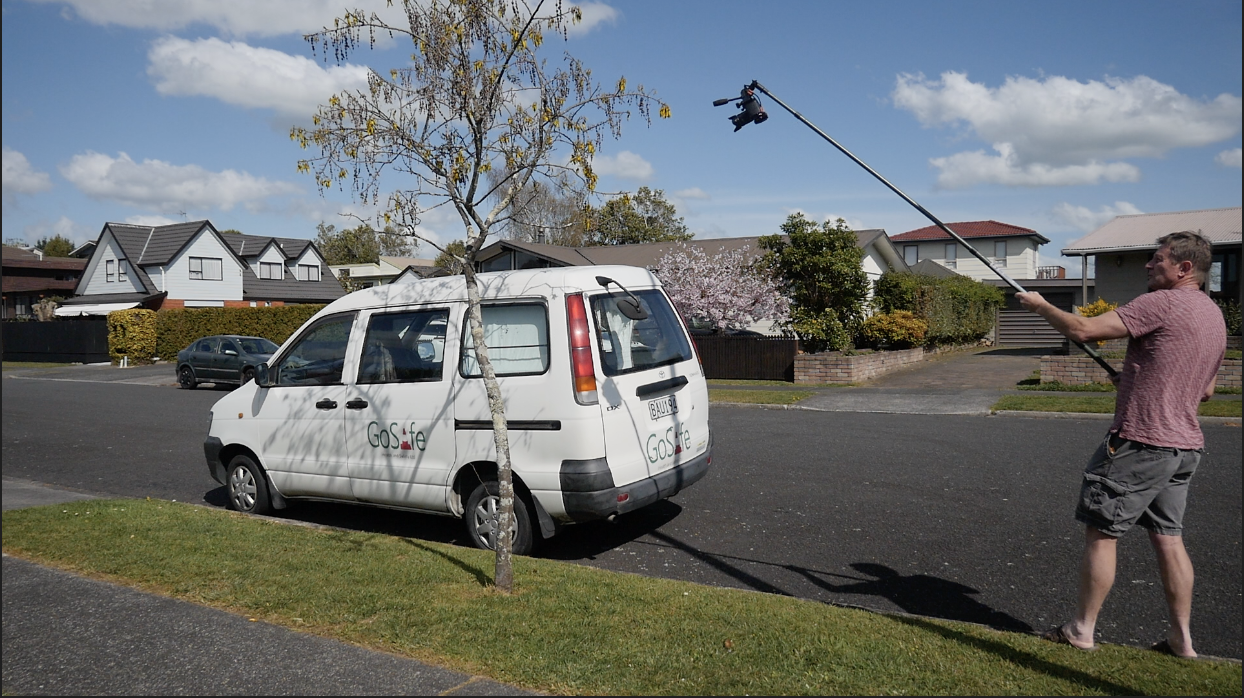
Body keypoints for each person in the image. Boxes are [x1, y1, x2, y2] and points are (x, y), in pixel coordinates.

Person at [1017, 231, 1226, 658]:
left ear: (1184, 268)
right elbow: (1204, 391)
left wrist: (1041, 306)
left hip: (1140, 442)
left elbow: (1083, 330)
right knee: (1169, 538)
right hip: (1184, 447)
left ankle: (1081, 630)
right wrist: (1134, 379)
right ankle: (1182, 639)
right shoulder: (1213, 315)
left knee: (1102, 532)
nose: (1149, 265)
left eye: (1158, 259)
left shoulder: (1161, 302)